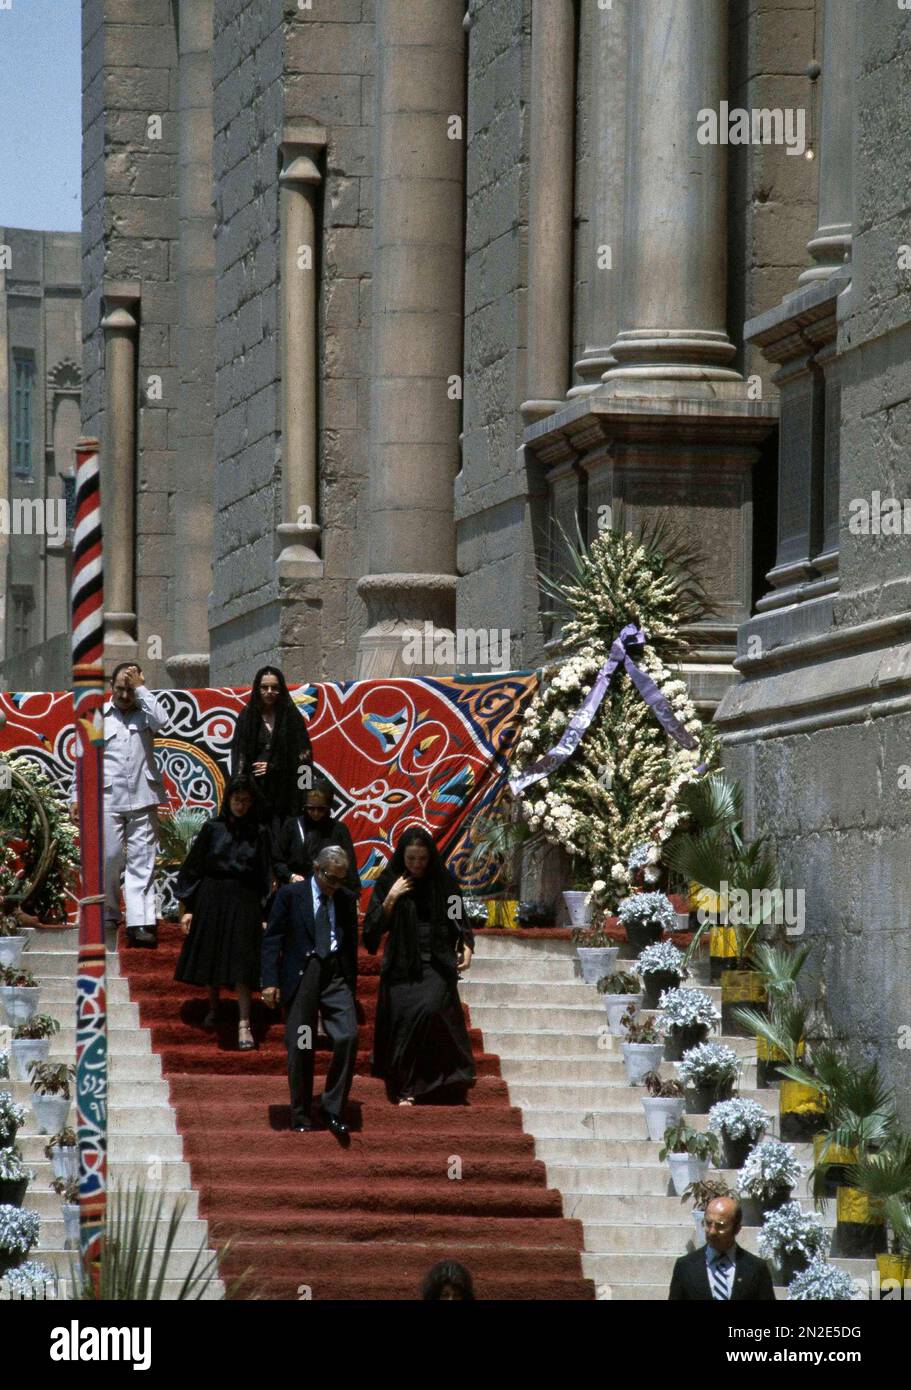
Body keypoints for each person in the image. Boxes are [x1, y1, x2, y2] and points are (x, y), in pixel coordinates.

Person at [363, 826, 475, 1106]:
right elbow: (373, 929)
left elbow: (458, 917)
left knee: (430, 1009)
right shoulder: (391, 880)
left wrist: (467, 945)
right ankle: (406, 1087)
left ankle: (437, 1079)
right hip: (402, 962)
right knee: (404, 1019)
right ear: (403, 857)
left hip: (435, 960)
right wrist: (392, 897)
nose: (417, 865)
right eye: (411, 859)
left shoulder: (441, 881)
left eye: (422, 859)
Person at [261, 845, 359, 1139]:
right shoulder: (291, 895)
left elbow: (351, 943)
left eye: (341, 879)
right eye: (331, 878)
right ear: (317, 869)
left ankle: (332, 1107)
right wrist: (270, 981)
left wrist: (350, 983)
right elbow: (272, 939)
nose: (335, 885)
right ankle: (301, 1112)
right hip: (303, 975)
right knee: (303, 1043)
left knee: (348, 1035)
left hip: (335, 976)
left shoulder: (345, 899)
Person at [70, 662, 169, 948]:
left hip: (143, 795)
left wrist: (141, 688)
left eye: (130, 688)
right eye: (121, 688)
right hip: (107, 797)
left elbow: (163, 721)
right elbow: (83, 760)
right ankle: (111, 911)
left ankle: (139, 922)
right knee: (110, 857)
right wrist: (76, 796)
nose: (125, 694)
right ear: (111, 686)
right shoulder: (98, 715)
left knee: (142, 861)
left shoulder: (146, 713)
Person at [172, 775, 273, 1051]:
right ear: (228, 799)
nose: (241, 805)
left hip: (245, 899)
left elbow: (265, 874)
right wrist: (188, 908)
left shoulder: (259, 832)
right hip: (212, 897)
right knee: (213, 955)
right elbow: (194, 868)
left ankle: (244, 1022)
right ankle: (214, 1007)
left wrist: (265, 912)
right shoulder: (212, 828)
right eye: (237, 800)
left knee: (242, 962)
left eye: (246, 801)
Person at [229, 666, 313, 833]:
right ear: (257, 689)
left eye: (274, 688)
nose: (269, 691)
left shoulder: (291, 717)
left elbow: (304, 757)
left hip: (286, 794)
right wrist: (239, 787)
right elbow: (240, 754)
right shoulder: (248, 716)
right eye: (264, 687)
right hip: (255, 793)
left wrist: (276, 767)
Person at [668, 1196, 776, 1300]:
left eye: (720, 1226)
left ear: (737, 1229)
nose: (712, 1231)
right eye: (708, 1223)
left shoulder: (756, 1269)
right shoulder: (685, 1267)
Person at [272, 776, 361, 896]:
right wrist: (291, 876)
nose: (315, 813)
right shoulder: (292, 826)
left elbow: (349, 869)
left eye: (321, 809)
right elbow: (277, 860)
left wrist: (353, 896)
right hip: (297, 893)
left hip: (330, 896)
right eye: (311, 808)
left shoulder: (338, 830)